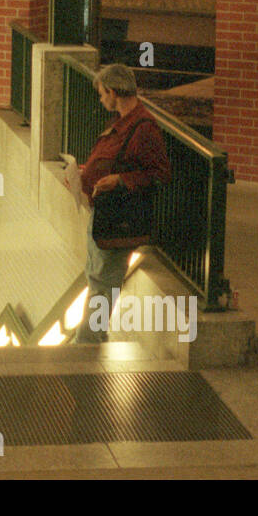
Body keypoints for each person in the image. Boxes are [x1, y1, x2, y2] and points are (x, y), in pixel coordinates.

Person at [71, 63, 171, 343]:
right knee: (97, 279)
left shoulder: (143, 128)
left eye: (102, 93)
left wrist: (119, 180)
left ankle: (87, 343)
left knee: (103, 283)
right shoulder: (124, 122)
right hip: (103, 215)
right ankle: (92, 338)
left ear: (114, 92)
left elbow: (160, 174)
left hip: (117, 220)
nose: (101, 99)